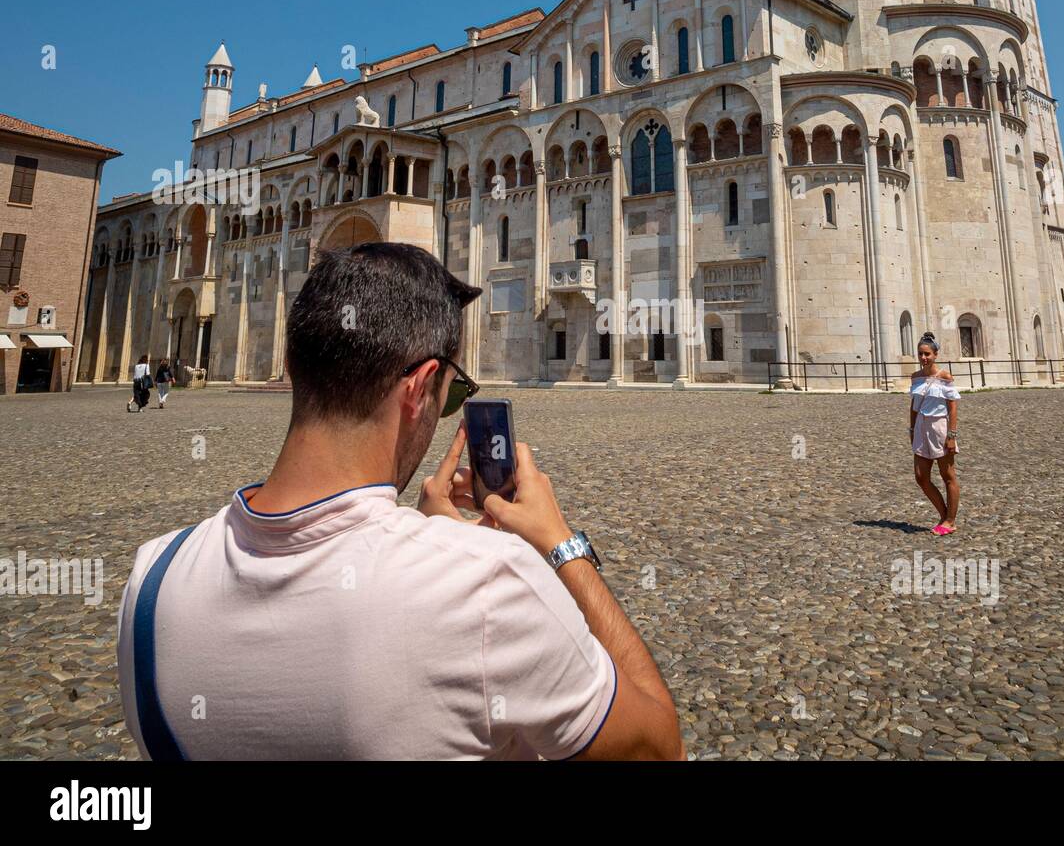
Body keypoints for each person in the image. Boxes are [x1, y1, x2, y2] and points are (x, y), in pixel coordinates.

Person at [116, 242, 682, 760]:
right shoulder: (487, 583)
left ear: (294, 369)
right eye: (453, 392)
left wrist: (430, 539)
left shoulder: (151, 578)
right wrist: (561, 546)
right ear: (418, 389)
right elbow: (658, 750)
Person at [909, 332, 961, 536]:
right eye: (921, 354)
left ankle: (950, 520)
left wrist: (952, 434)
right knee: (921, 476)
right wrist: (912, 429)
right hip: (921, 427)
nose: (924, 358)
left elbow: (953, 407)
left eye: (927, 354)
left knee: (947, 474)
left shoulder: (945, 376)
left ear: (935, 354)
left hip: (940, 426)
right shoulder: (915, 377)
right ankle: (943, 515)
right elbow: (913, 406)